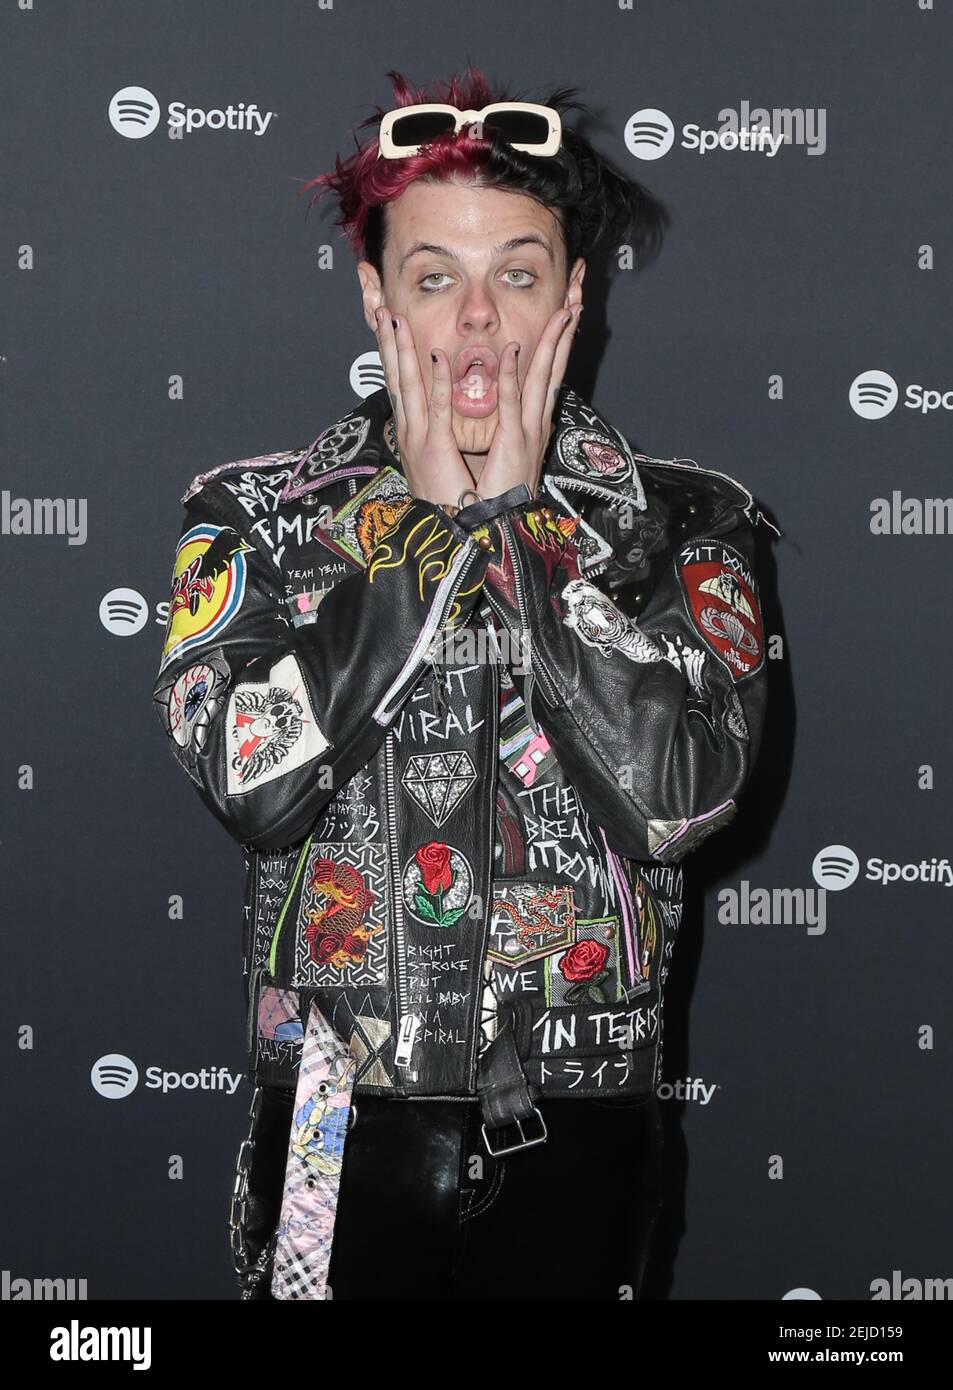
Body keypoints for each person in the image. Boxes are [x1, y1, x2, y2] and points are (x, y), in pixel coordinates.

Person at [151, 63, 775, 1301]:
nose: (476, 322)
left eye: (517, 275)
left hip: (583, 1117)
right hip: (330, 1111)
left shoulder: (683, 524)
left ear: (573, 300)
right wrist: (422, 547)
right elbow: (252, 786)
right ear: (377, 296)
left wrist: (519, 529)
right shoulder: (257, 521)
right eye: (435, 276)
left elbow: (674, 800)